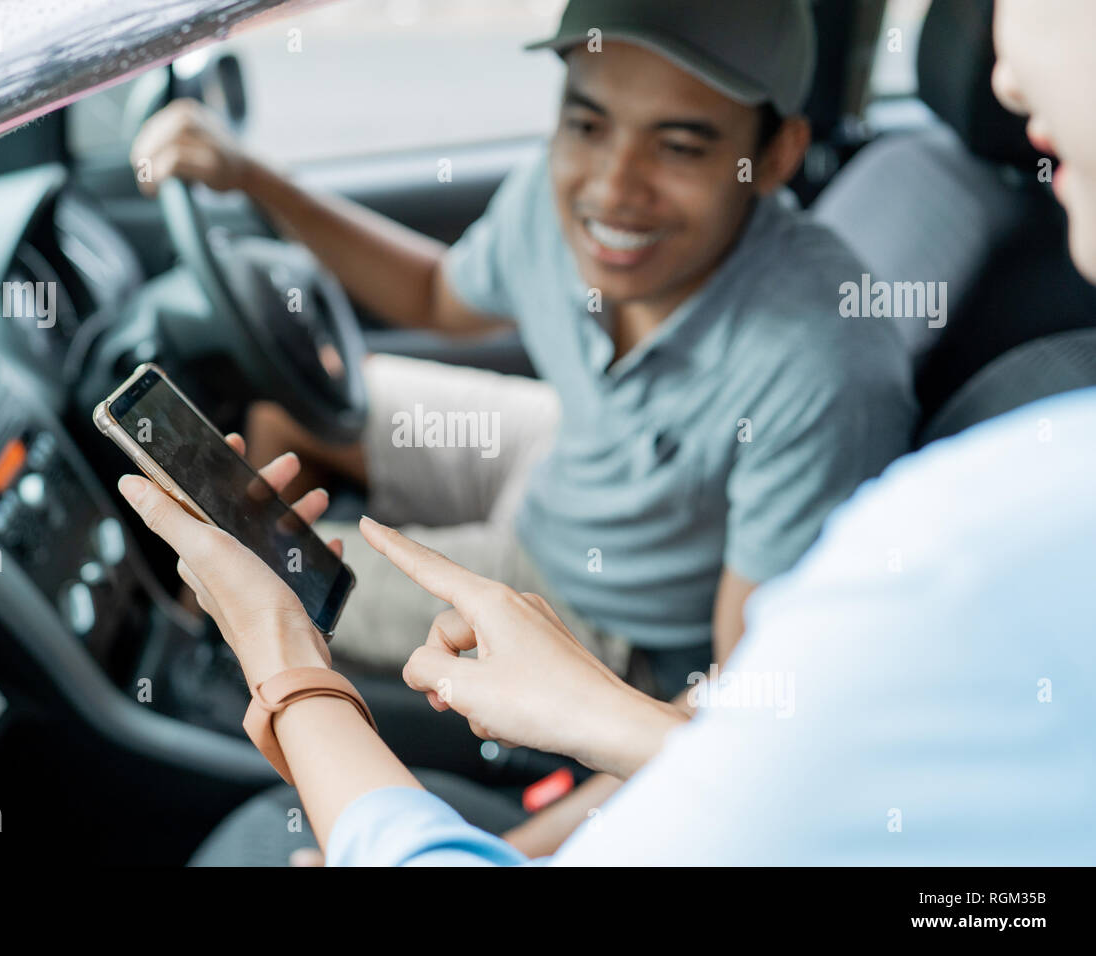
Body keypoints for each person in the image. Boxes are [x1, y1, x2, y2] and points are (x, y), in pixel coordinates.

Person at [118, 0, 1096, 866]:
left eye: (679, 144)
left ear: (778, 157)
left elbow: (732, 719)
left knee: (239, 578)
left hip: (603, 591)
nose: (614, 189)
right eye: (588, 122)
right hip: (563, 450)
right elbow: (433, 292)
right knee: (292, 408)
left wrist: (505, 849)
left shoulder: (819, 369)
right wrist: (252, 178)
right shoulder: (562, 205)